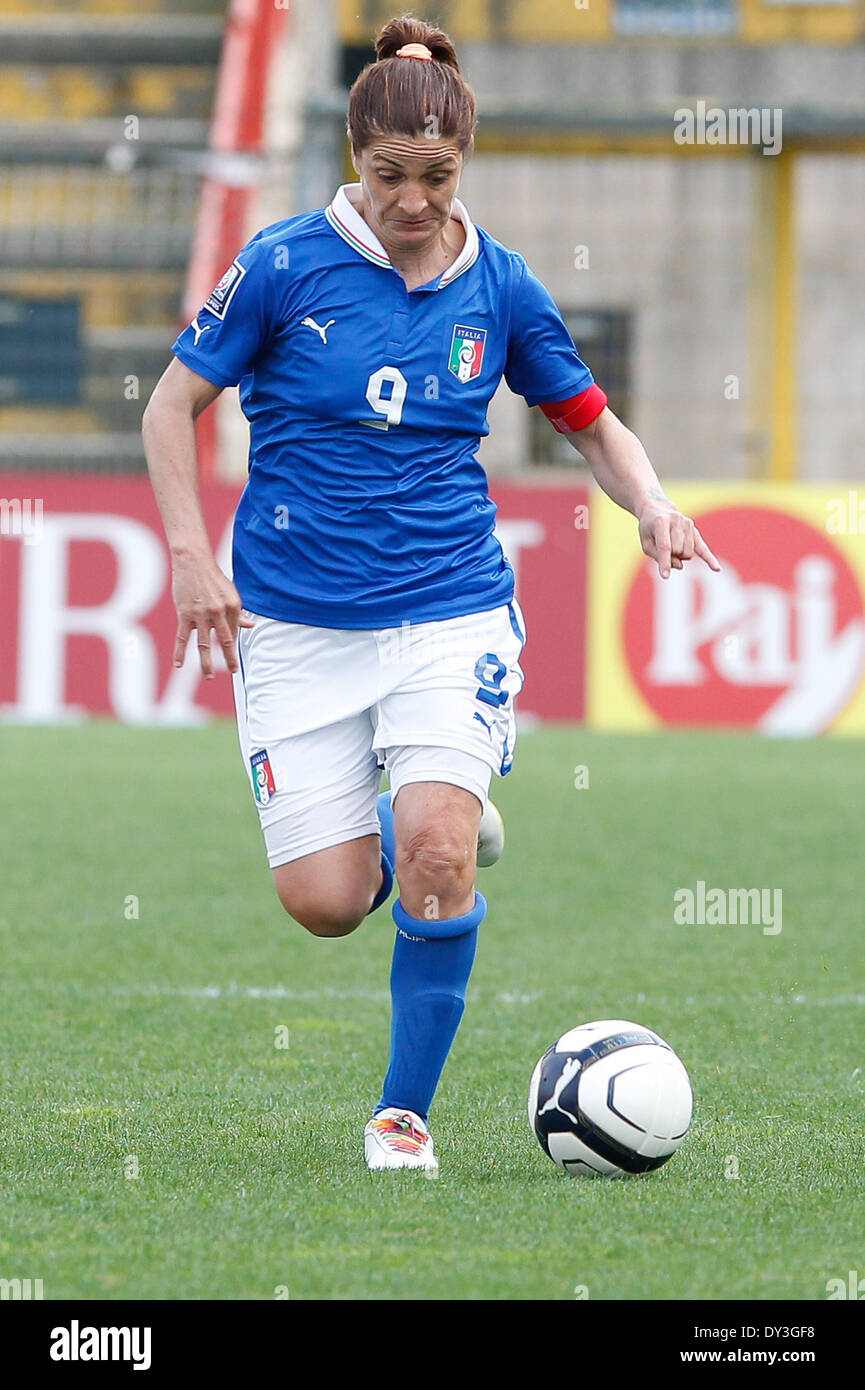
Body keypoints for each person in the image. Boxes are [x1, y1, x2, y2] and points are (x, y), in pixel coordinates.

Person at [142, 14, 719, 1172]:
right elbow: (166, 409)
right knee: (321, 901)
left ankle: (402, 1116)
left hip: (446, 608)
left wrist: (651, 502)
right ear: (355, 159)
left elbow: (590, 427)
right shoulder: (282, 264)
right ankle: (415, 824)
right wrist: (193, 559)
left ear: (464, 163)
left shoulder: (498, 286)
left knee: (439, 850)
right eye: (388, 175)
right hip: (296, 624)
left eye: (435, 177)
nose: (411, 199)